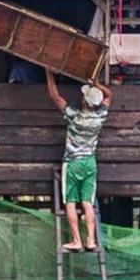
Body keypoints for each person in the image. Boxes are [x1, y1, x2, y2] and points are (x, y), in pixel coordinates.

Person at [45, 68, 112, 252]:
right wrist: (96, 84)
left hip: (72, 162)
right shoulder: (100, 117)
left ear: (84, 101)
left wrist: (49, 75)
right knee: (87, 203)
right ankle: (90, 240)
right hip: (90, 162)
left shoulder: (74, 116)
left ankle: (76, 240)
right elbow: (109, 94)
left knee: (70, 202)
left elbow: (55, 96)